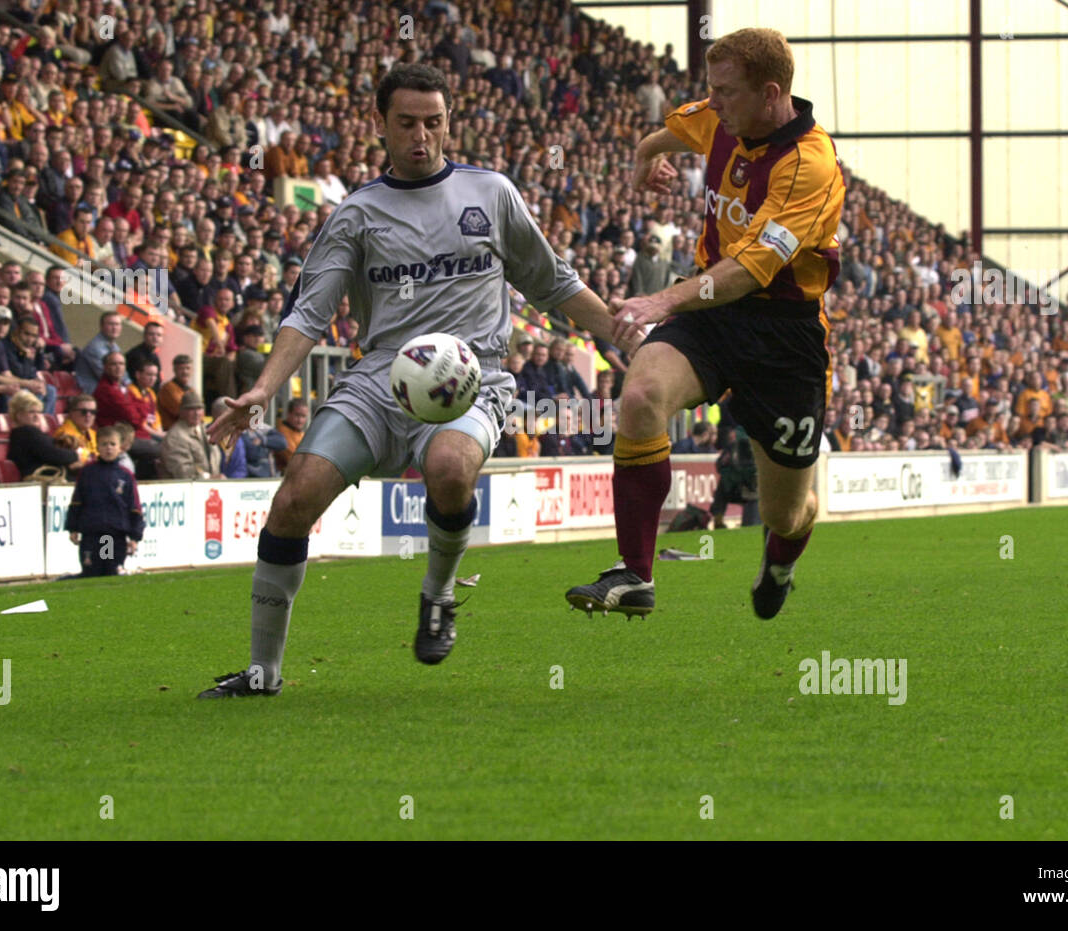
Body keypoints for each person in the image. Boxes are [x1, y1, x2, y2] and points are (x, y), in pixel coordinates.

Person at [199, 63, 632, 698]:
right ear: (382, 126)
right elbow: (308, 314)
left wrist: (621, 331)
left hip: (472, 375)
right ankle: (263, 673)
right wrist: (264, 389)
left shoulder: (492, 193)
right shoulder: (356, 214)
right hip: (380, 380)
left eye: (434, 122)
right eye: (407, 123)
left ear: (449, 123)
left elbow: (552, 279)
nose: (422, 136)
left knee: (452, 469)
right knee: (292, 501)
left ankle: (438, 593)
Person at [566, 28, 845, 619]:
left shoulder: (811, 166)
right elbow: (667, 132)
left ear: (771, 94)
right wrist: (648, 157)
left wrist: (663, 301)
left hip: (784, 337)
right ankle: (635, 574)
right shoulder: (723, 115)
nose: (713, 103)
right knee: (640, 395)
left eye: (726, 93)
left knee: (783, 514)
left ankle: (779, 563)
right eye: (711, 90)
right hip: (712, 315)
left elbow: (749, 270)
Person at [65, 425, 145, 577]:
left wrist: (135, 536)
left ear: (120, 447)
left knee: (109, 573)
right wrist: (72, 527)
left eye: (112, 444)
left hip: (112, 535)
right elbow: (77, 501)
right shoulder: (88, 472)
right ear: (97, 447)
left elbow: (134, 507)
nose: (108, 448)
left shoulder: (125, 475)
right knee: (90, 573)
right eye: (104, 444)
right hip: (91, 533)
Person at [8, 389, 80, 478]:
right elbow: (52, 454)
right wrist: (76, 455)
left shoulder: (22, 433)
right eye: (31, 412)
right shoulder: (27, 432)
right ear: (19, 415)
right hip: (42, 480)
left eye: (38, 412)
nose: (37, 416)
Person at [160, 390, 218, 479]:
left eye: (199, 408)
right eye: (191, 409)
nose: (197, 413)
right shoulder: (175, 437)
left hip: (211, 487)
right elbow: (182, 471)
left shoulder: (206, 431)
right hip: (186, 488)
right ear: (182, 411)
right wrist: (209, 477)